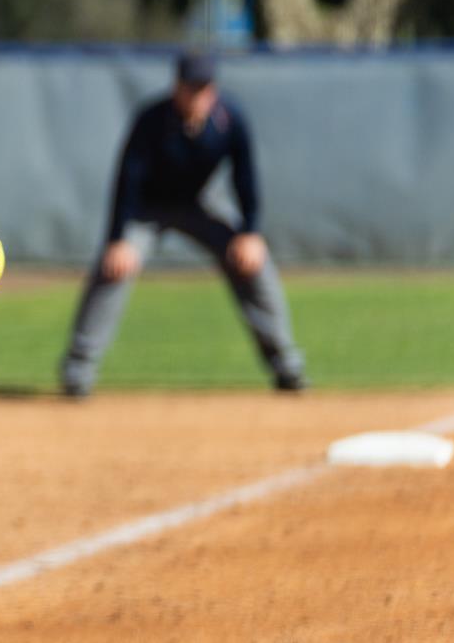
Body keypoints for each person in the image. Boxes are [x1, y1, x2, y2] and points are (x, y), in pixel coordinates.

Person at [60, 52, 306, 397]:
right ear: (177, 87)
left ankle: (287, 367)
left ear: (214, 89)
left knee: (254, 263)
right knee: (114, 267)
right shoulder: (152, 119)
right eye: (191, 88)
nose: (198, 95)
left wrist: (250, 233)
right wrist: (118, 240)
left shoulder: (230, 119)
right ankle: (78, 370)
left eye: (205, 88)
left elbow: (245, 179)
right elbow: (127, 180)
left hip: (200, 203)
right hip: (147, 209)